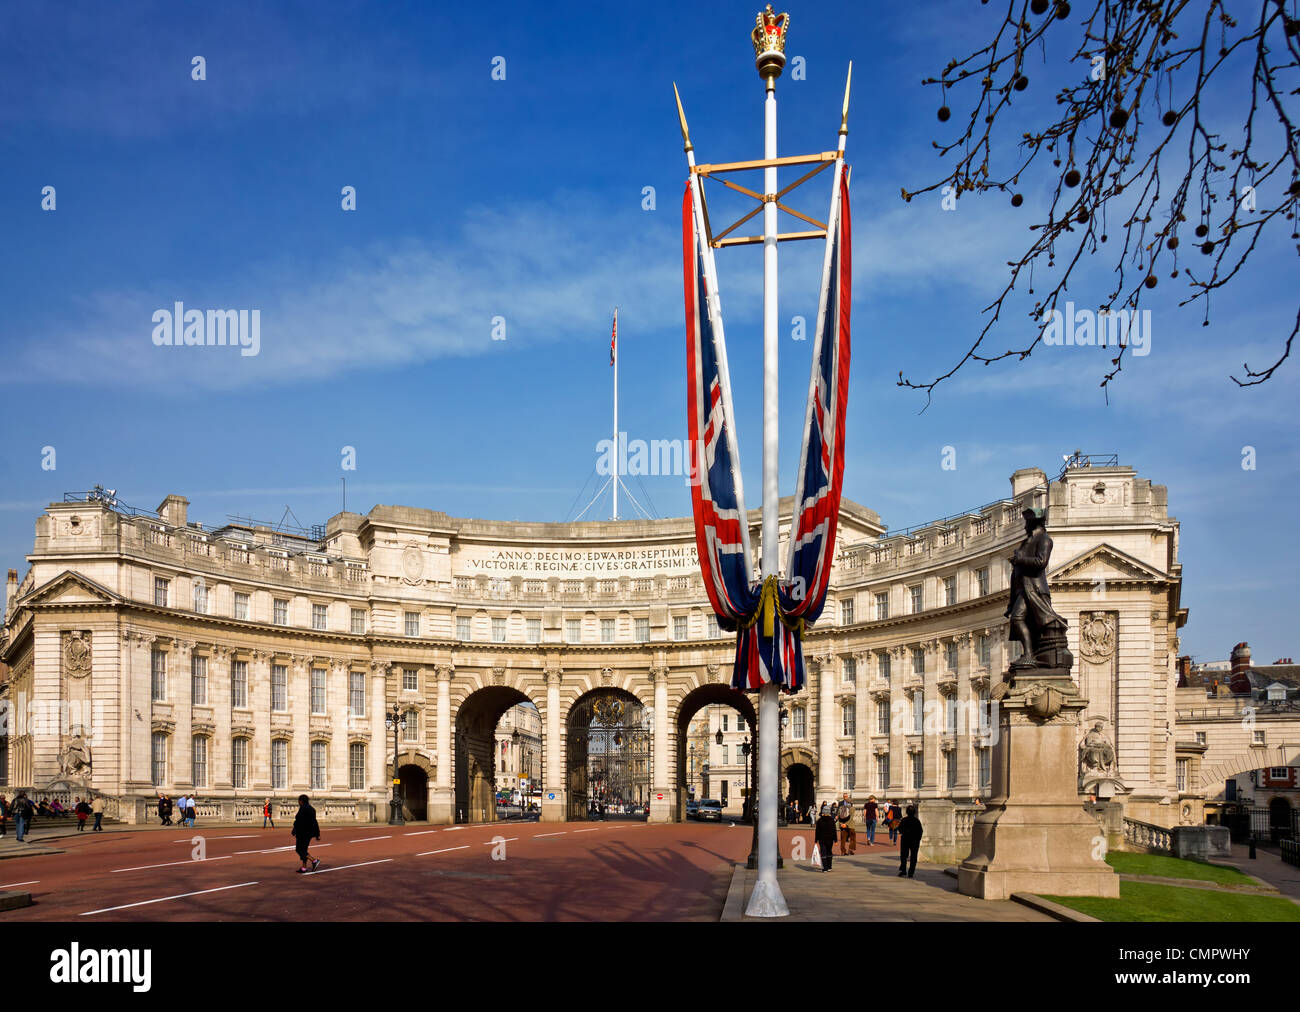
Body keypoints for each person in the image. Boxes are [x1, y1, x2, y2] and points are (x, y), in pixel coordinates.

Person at [292, 793, 321, 873]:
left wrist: (294, 829)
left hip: (302, 833)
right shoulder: (312, 809)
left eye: (299, 801)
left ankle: (314, 860)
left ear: (301, 801)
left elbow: (298, 821)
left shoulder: (303, 808)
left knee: (299, 849)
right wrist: (317, 834)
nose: (298, 802)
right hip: (309, 833)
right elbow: (315, 822)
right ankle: (304, 867)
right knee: (304, 850)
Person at [898, 804, 923, 878]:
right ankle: (911, 872)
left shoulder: (904, 820)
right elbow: (920, 831)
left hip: (905, 839)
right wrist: (918, 839)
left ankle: (903, 870)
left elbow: (900, 829)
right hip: (914, 840)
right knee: (913, 857)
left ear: (907, 812)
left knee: (903, 856)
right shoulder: (917, 821)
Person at [814, 803, 837, 872]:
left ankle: (825, 867)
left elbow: (817, 831)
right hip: (830, 839)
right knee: (829, 852)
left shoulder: (819, 820)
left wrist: (816, 840)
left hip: (822, 839)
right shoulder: (832, 820)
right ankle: (829, 867)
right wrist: (835, 840)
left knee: (823, 853)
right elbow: (834, 830)